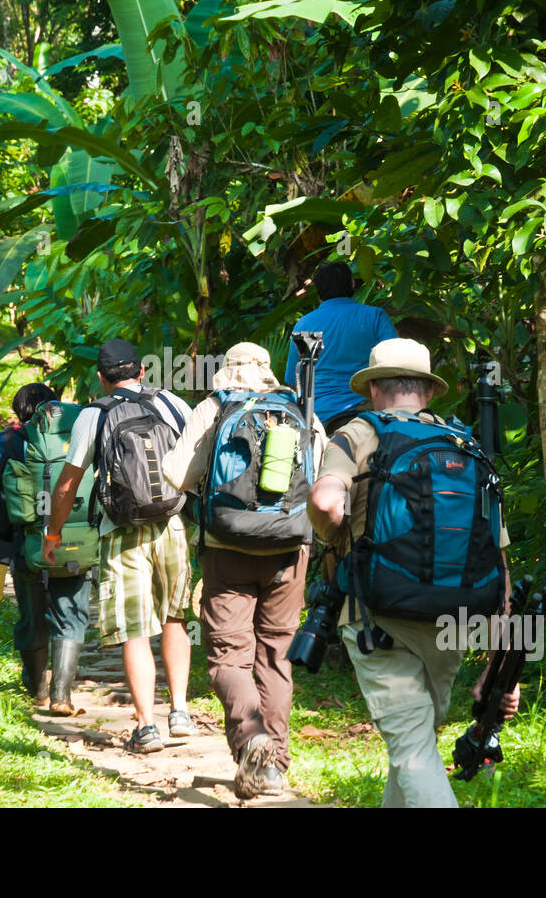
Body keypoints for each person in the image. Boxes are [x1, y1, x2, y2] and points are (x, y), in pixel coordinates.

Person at [307, 338, 520, 808]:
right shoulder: (463, 444)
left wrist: (333, 535)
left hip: (375, 614)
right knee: (415, 744)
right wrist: (502, 660)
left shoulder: (358, 434)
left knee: (413, 748)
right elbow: (497, 557)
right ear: (426, 390)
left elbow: (325, 501)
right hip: (455, 620)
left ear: (375, 388)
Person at [161, 342, 326, 798]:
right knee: (276, 656)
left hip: (227, 546)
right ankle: (275, 765)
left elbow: (176, 474)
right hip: (290, 550)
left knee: (229, 657)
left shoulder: (214, 408)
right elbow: (323, 474)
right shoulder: (300, 407)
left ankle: (252, 740)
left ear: (225, 371)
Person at [41, 339, 195, 754]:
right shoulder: (173, 404)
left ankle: (147, 726)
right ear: (142, 371)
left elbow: (68, 484)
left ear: (101, 378)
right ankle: (180, 711)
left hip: (120, 530)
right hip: (172, 524)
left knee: (133, 627)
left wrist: (53, 534)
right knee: (175, 616)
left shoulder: (93, 414)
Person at [0, 383, 92, 713]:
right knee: (72, 615)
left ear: (20, 413)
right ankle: (62, 695)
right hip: (77, 540)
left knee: (31, 615)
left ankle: (38, 689)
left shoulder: (10, 439)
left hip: (27, 540)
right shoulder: (80, 431)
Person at [284, 261, 398, 434]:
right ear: (352, 284)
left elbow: (294, 381)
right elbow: (396, 364)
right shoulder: (374, 316)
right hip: (368, 412)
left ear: (319, 291)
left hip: (317, 418)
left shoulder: (303, 324)